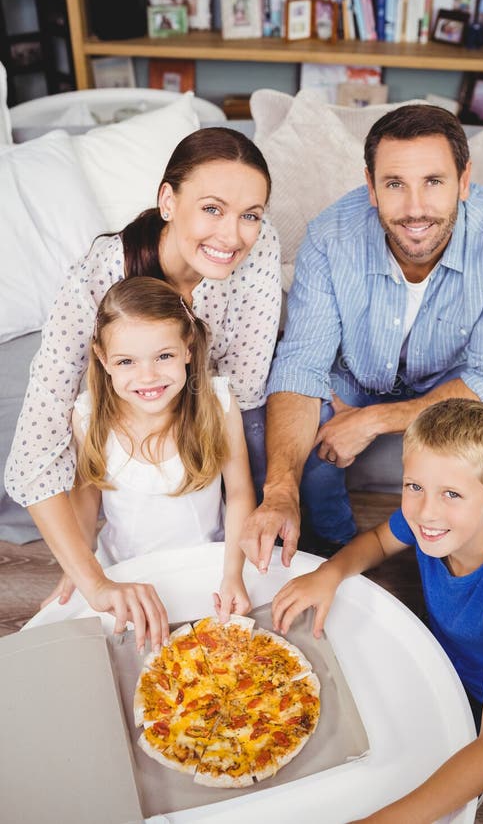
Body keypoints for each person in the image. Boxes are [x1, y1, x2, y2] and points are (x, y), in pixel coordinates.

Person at [5, 127, 280, 646]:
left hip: (208, 422)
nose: (233, 236)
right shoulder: (100, 275)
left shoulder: (259, 245)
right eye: (213, 209)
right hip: (131, 432)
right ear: (167, 201)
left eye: (250, 214)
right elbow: (36, 455)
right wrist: (86, 571)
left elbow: (242, 387)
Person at [240, 103, 483, 573]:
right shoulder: (329, 235)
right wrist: (281, 489)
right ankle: (333, 548)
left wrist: (372, 421)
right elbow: (301, 363)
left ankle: (427, 569)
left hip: (452, 381)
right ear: (371, 186)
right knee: (269, 435)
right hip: (359, 372)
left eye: (434, 182)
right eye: (395, 184)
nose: (415, 208)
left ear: (464, 181)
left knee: (458, 453)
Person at [272, 398, 483, 822]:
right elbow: (378, 541)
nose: (426, 512)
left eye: (451, 494)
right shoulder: (433, 520)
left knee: (404, 777)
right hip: (439, 649)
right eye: (414, 486)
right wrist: (331, 573)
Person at [43, 278, 255, 652]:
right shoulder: (89, 416)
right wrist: (75, 569)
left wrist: (232, 573)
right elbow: (87, 498)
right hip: (122, 570)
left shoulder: (218, 405)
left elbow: (239, 493)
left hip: (207, 565)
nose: (148, 376)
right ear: (103, 359)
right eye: (127, 361)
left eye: (164, 356)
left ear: (188, 349)